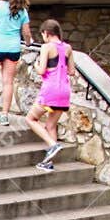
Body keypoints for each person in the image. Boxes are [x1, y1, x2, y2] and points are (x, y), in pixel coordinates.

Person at [28, 19, 74, 171]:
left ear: (46, 33)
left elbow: (41, 71)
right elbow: (71, 71)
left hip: (50, 90)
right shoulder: (68, 48)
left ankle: (53, 145)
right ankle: (48, 162)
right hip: (64, 91)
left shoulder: (46, 47)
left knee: (31, 118)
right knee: (50, 125)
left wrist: (36, 65)